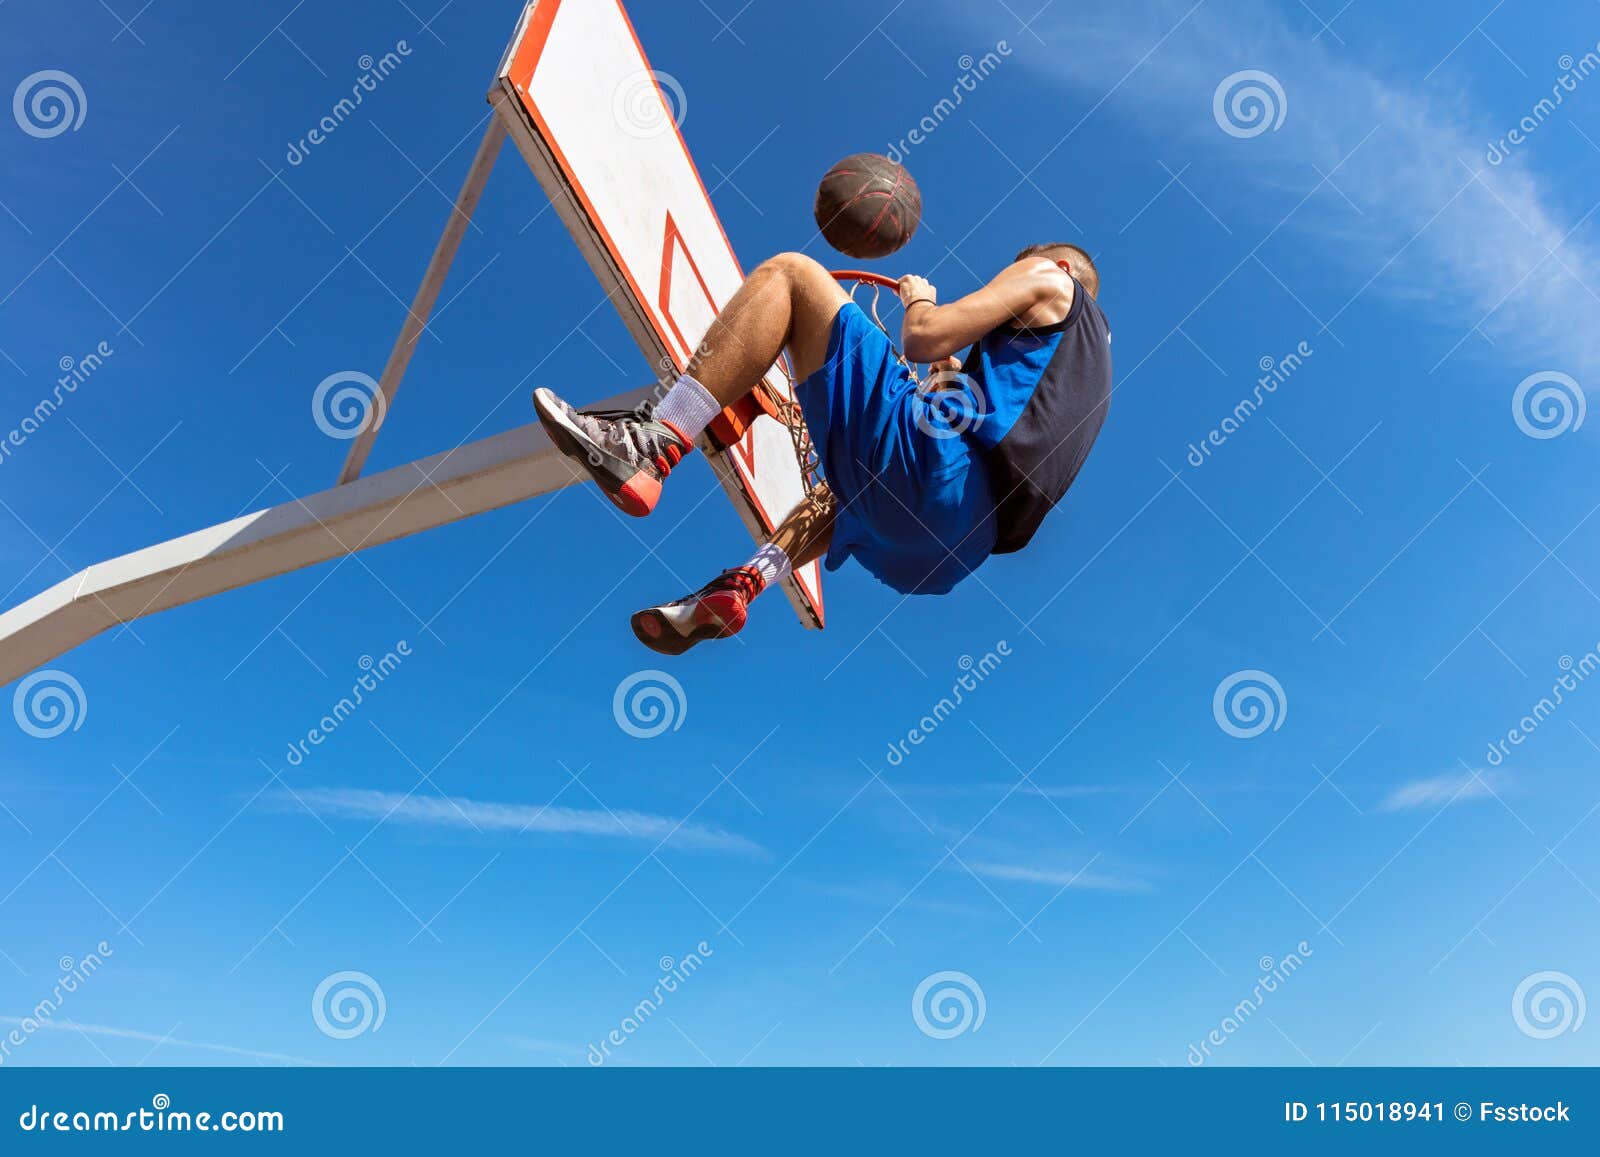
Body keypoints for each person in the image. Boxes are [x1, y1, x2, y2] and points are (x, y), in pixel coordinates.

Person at [533, 243, 1112, 655]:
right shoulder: (1091, 373)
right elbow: (992, 426)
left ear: (1059, 268)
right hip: (948, 553)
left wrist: (919, 301)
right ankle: (746, 583)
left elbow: (923, 338)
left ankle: (652, 445)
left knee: (791, 275)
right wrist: (947, 376)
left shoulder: (1050, 277)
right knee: (841, 494)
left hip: (936, 476)